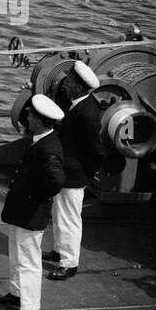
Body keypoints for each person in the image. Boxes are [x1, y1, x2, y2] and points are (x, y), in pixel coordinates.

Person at [0, 95, 66, 310]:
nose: (27, 116)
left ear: (39, 120)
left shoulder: (49, 148)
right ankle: (17, 295)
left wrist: (33, 197)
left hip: (31, 211)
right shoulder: (39, 141)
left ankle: (29, 307)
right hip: (22, 211)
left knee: (28, 260)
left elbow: (55, 181)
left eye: (31, 115)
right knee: (17, 255)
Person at [46, 62, 105, 281]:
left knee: (69, 218)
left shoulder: (88, 113)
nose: (65, 85)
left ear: (80, 87)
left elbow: (96, 150)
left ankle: (69, 263)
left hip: (74, 175)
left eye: (69, 81)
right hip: (66, 172)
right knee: (58, 214)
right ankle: (59, 250)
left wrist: (86, 174)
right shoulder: (75, 104)